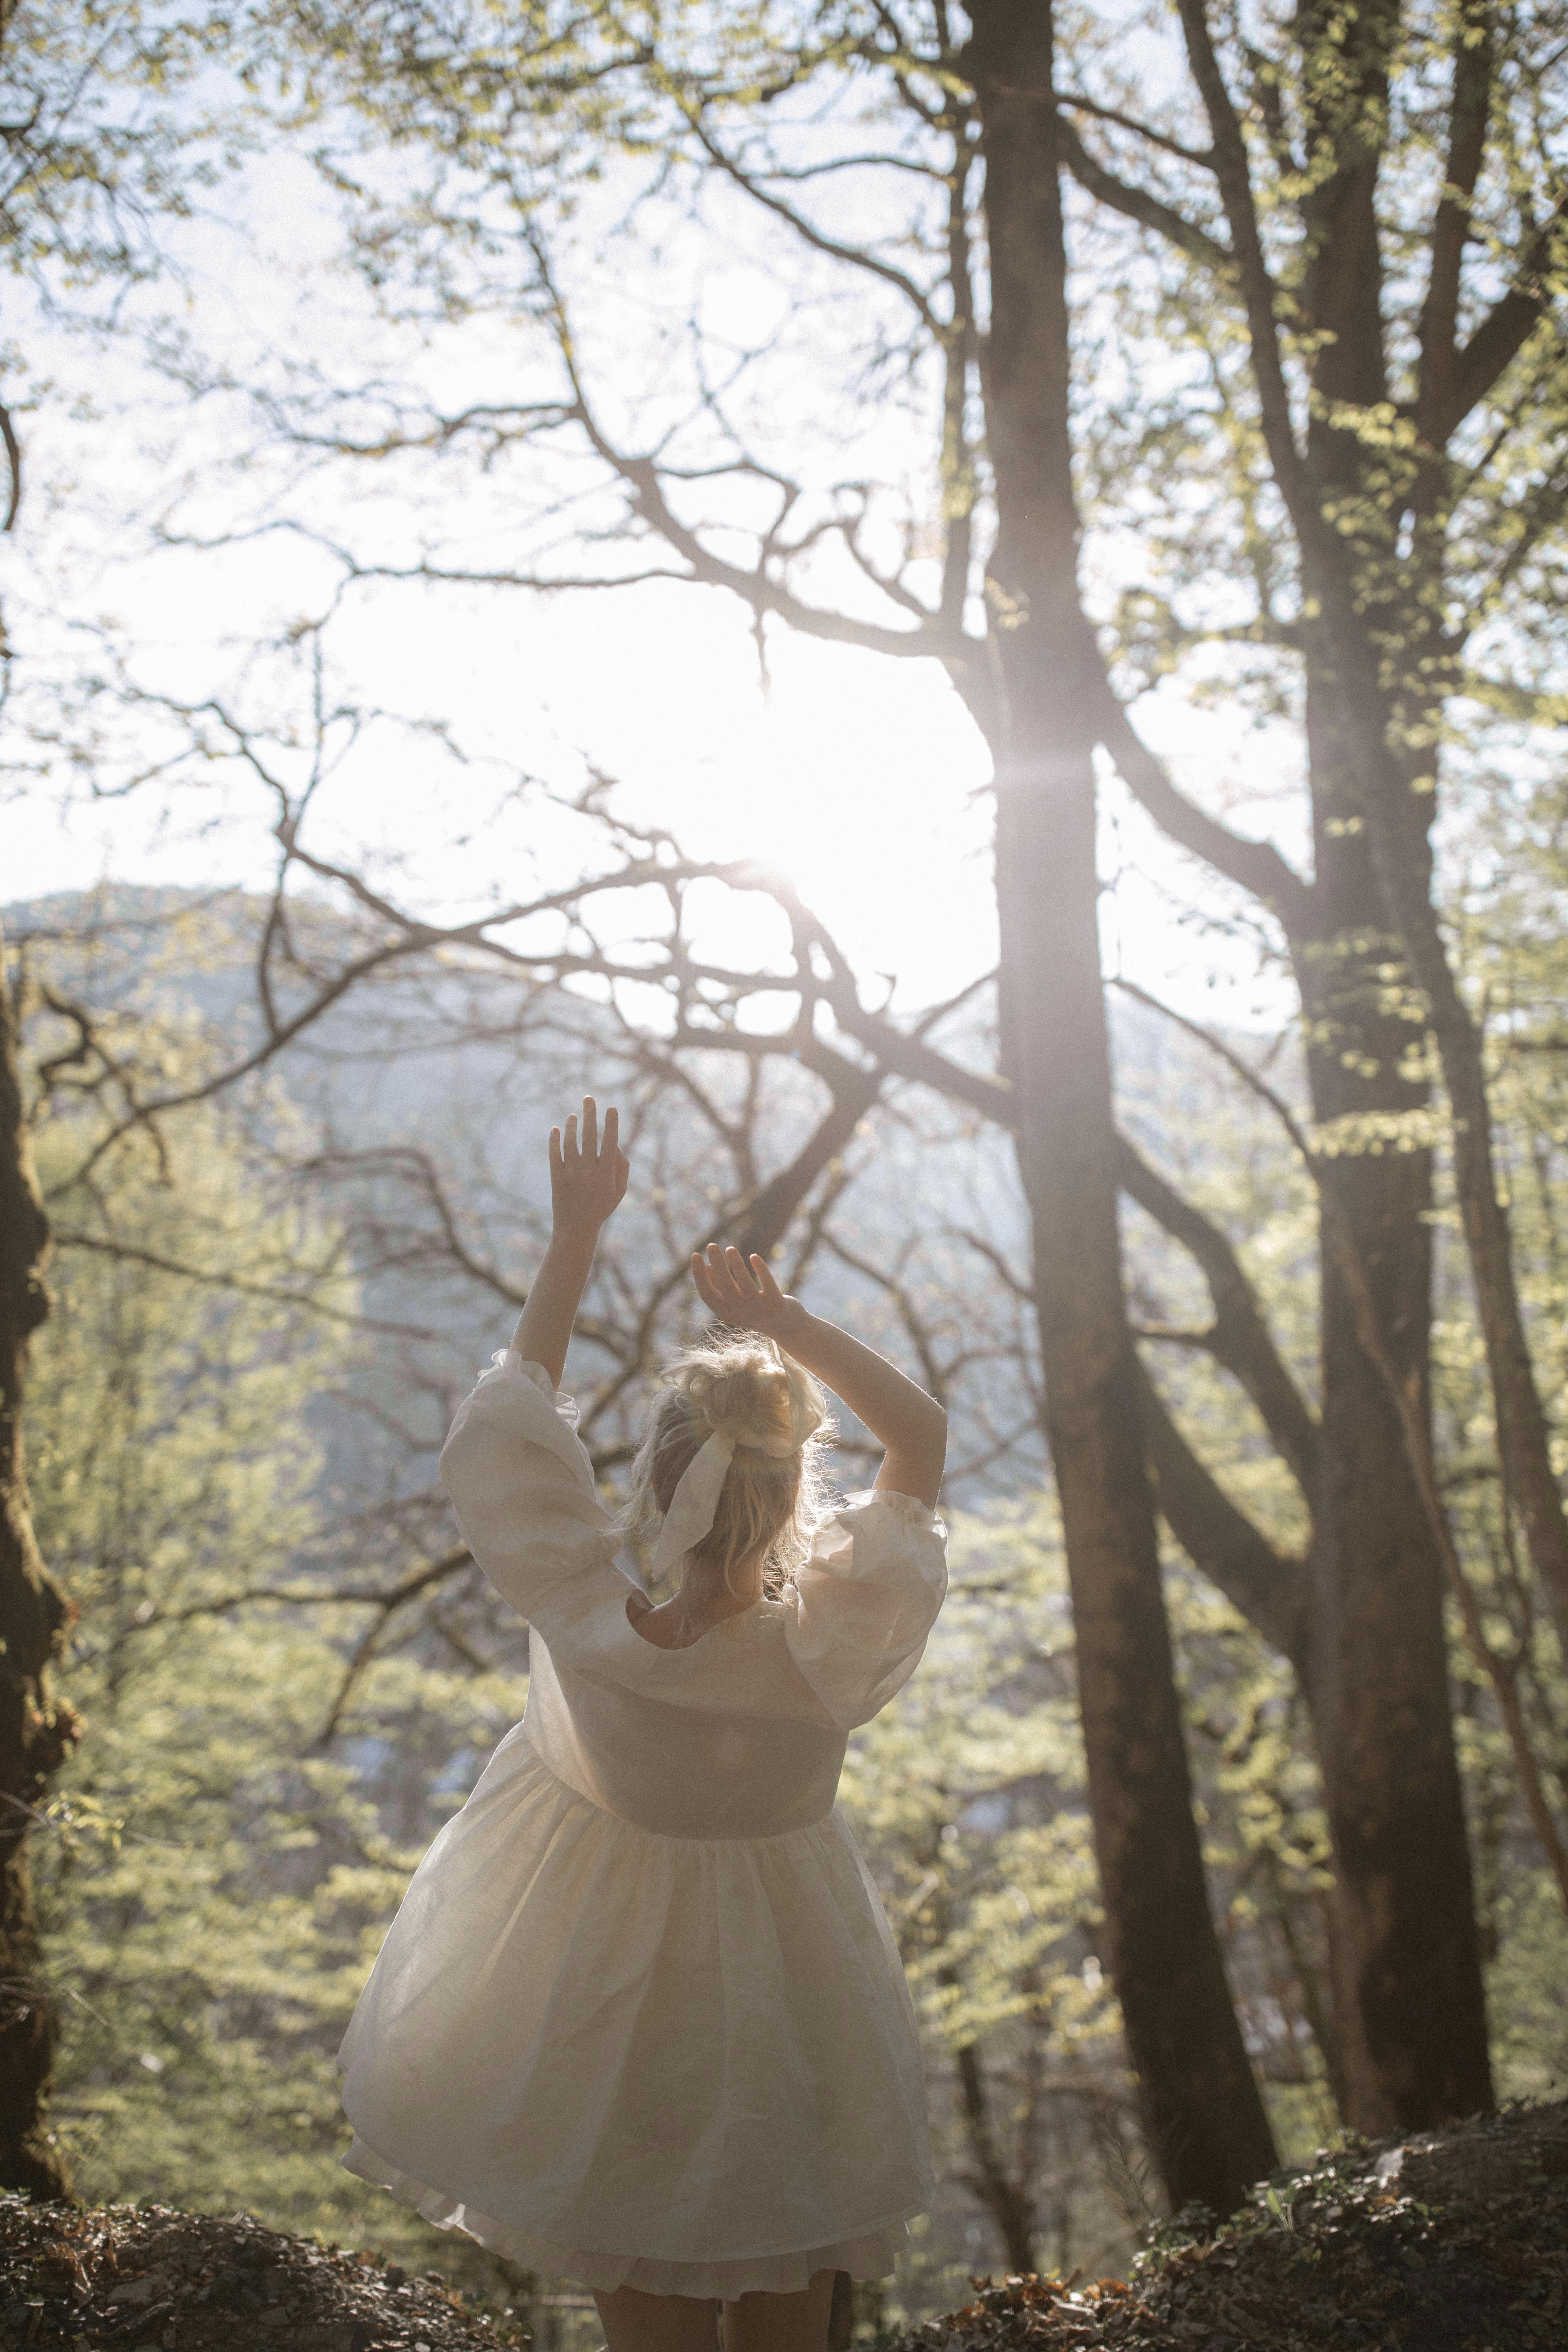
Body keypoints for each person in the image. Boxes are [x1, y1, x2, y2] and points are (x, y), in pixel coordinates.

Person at [338, 1099, 949, 2352]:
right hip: (793, 2004)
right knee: (791, 2294)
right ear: (793, 1500)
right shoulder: (826, 1657)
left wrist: (575, 1238)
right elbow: (922, 1436)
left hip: (609, 2011)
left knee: (643, 2298)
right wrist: (784, 1322)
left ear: (654, 1482)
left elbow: (509, 1426)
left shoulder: (584, 1623)